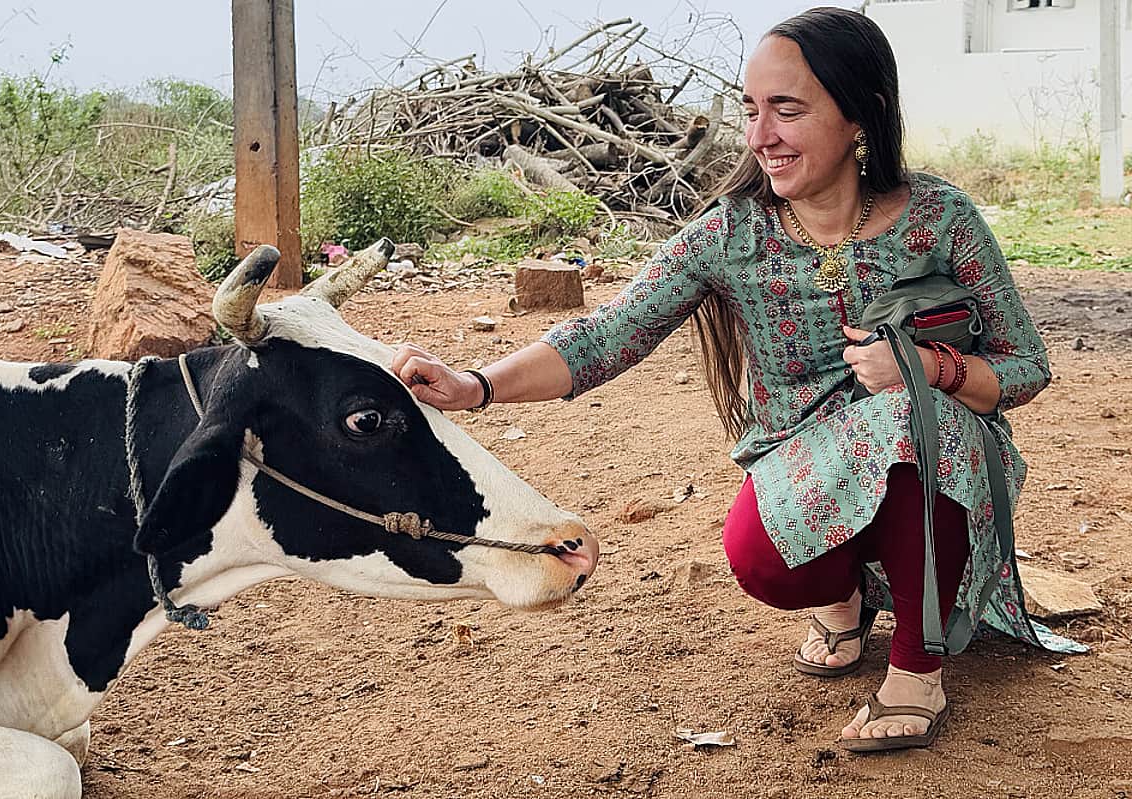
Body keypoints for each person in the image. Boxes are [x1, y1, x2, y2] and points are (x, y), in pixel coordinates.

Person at [392, 6, 1053, 752]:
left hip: (938, 468)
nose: (760, 136)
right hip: (800, 464)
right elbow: (609, 332)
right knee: (760, 562)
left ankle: (915, 667)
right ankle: (842, 598)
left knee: (906, 417)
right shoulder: (732, 234)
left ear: (861, 116)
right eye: (751, 110)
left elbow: (1027, 364)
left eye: (787, 110)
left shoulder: (942, 218)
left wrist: (931, 368)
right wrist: (475, 384)